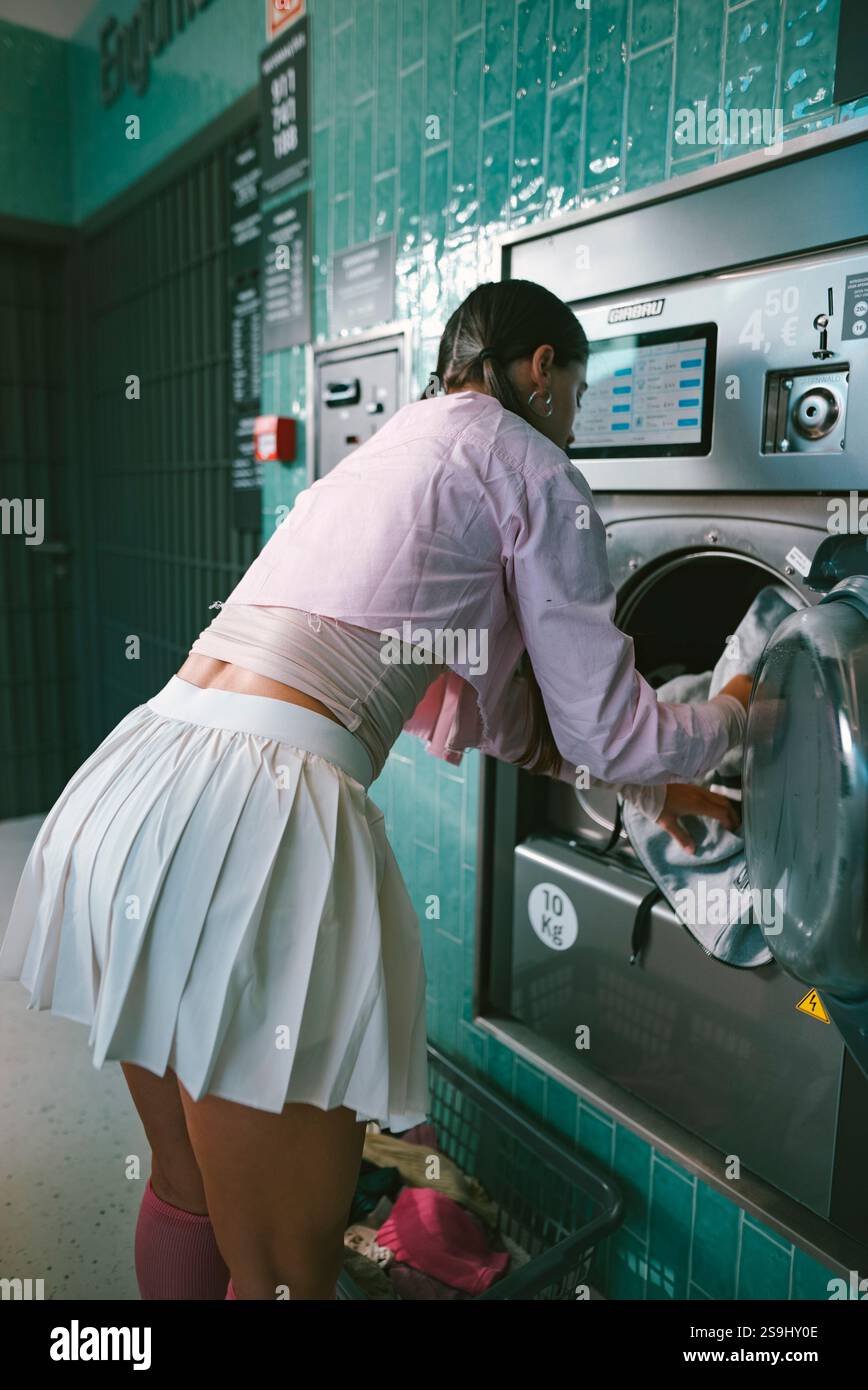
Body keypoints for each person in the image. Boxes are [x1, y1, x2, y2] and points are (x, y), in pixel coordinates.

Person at [0, 279, 750, 1301]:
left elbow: (485, 709)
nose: (575, 421)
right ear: (540, 369)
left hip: (135, 784)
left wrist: (656, 792)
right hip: (250, 822)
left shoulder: (387, 456)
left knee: (189, 1194)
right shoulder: (536, 466)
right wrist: (738, 712)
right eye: (575, 393)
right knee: (282, 1267)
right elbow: (608, 725)